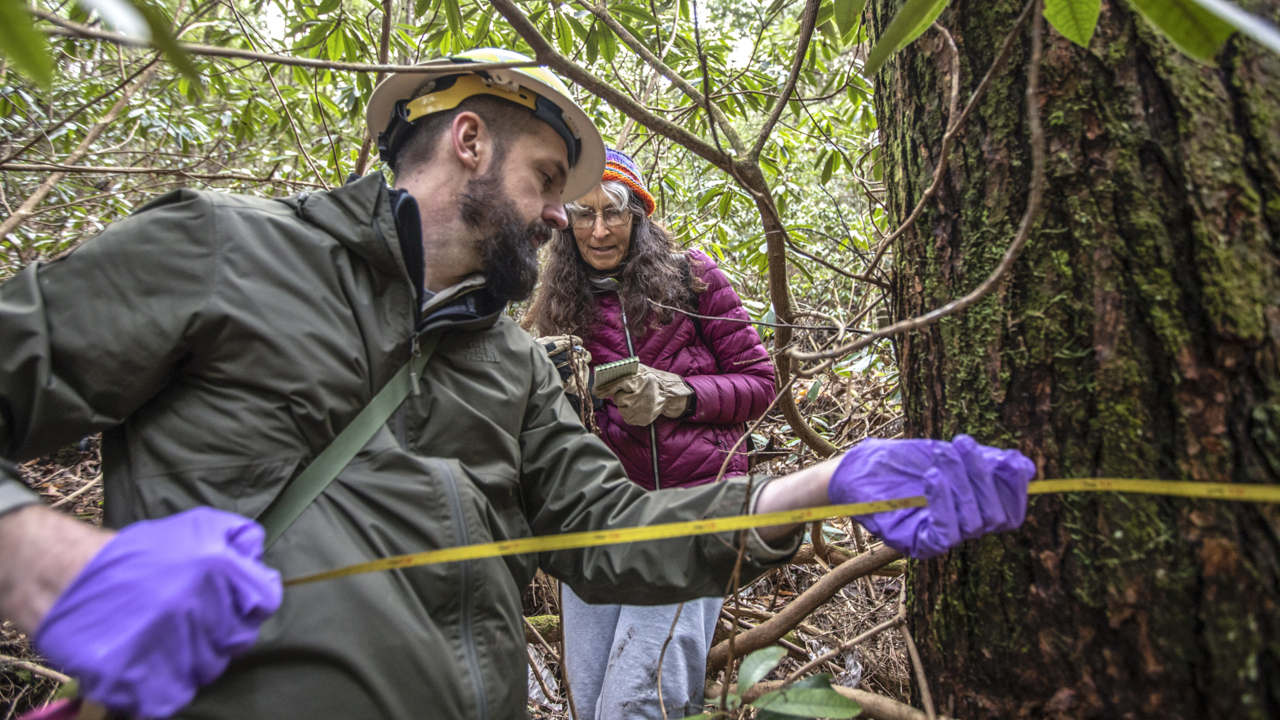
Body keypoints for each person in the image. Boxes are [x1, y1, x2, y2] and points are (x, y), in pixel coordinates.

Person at [0, 48, 1037, 720]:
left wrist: (828, 482)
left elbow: (613, 529)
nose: (559, 221)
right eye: (548, 181)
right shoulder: (224, 251)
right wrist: (41, 554)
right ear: (467, 141)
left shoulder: (510, 367)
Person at [524, 149, 775, 719]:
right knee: (590, 699)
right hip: (597, 517)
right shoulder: (558, 304)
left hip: (694, 509)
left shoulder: (693, 279)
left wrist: (679, 395)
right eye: (583, 215)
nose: (599, 229)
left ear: (639, 214)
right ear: (564, 224)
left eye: (613, 212)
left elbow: (761, 382)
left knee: (641, 699)